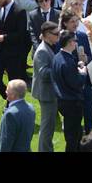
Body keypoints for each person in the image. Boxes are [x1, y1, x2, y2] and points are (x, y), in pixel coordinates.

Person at [52, 28, 89, 151]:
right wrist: (83, 73)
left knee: (75, 133)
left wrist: (77, 67)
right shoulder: (66, 61)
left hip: (62, 100)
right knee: (73, 138)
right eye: (75, 40)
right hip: (72, 102)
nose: (76, 43)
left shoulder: (58, 57)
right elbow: (76, 82)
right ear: (69, 42)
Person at [31, 22, 60, 152]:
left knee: (50, 126)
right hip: (46, 93)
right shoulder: (42, 51)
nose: (59, 36)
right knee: (47, 127)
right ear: (47, 35)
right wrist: (61, 68)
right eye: (56, 34)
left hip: (50, 92)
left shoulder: (50, 46)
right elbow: (44, 74)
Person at [0, 78, 37, 152]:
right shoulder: (31, 108)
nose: (5, 92)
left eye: (7, 90)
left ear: (13, 95)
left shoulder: (10, 114)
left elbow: (5, 142)